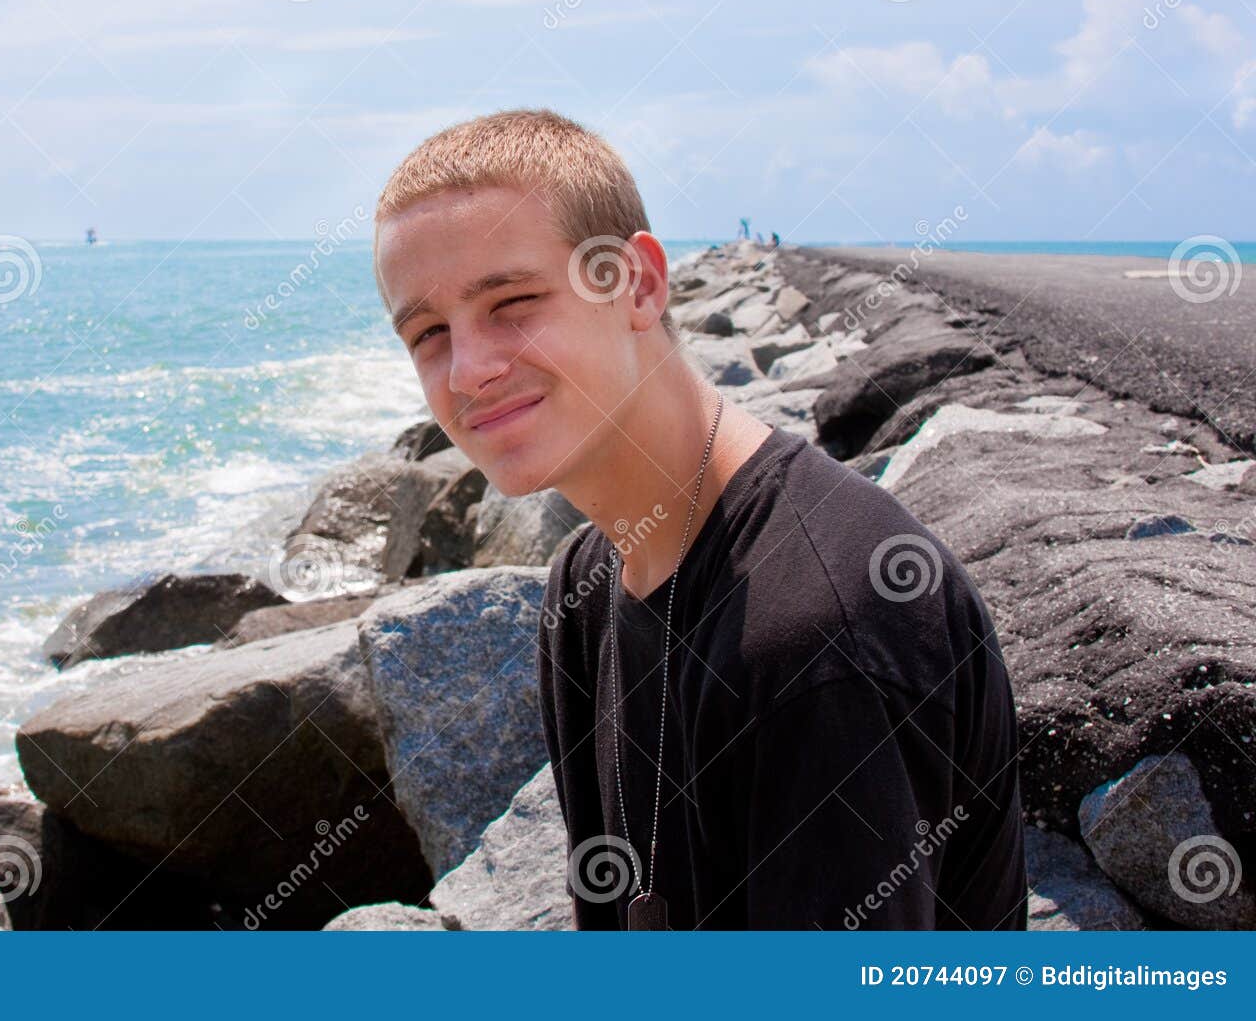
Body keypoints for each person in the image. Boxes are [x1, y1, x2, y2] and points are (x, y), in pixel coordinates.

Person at [369, 108, 1027, 931]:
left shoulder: (826, 627)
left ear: (637, 284)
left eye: (512, 301)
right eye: (428, 332)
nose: (469, 370)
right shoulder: (590, 582)